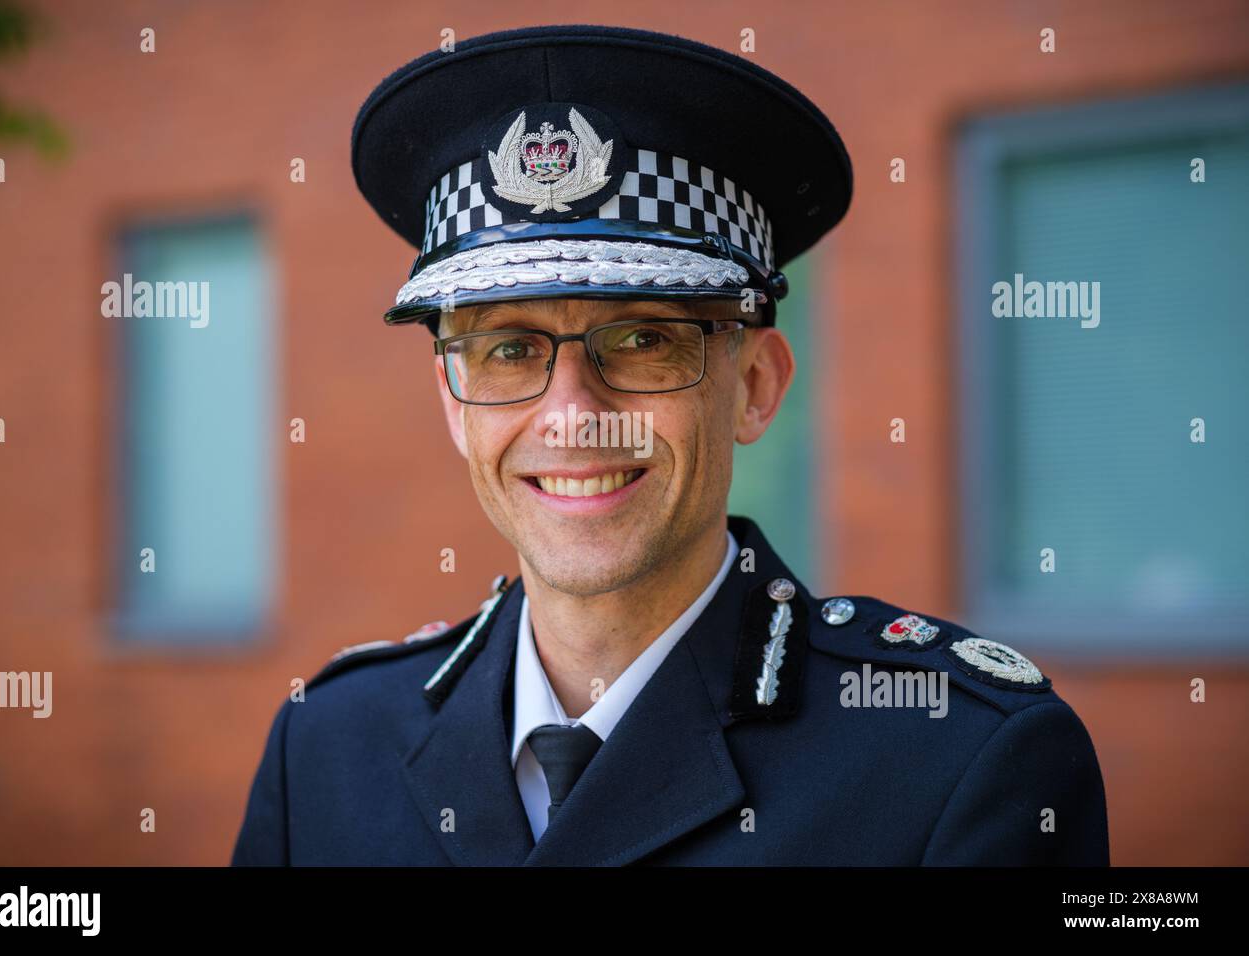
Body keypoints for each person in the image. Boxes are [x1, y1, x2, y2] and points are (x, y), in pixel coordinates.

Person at [232, 24, 1108, 866]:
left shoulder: (953, 760)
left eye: (646, 340)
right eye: (508, 349)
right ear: (455, 405)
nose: (573, 418)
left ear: (756, 387)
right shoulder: (326, 750)